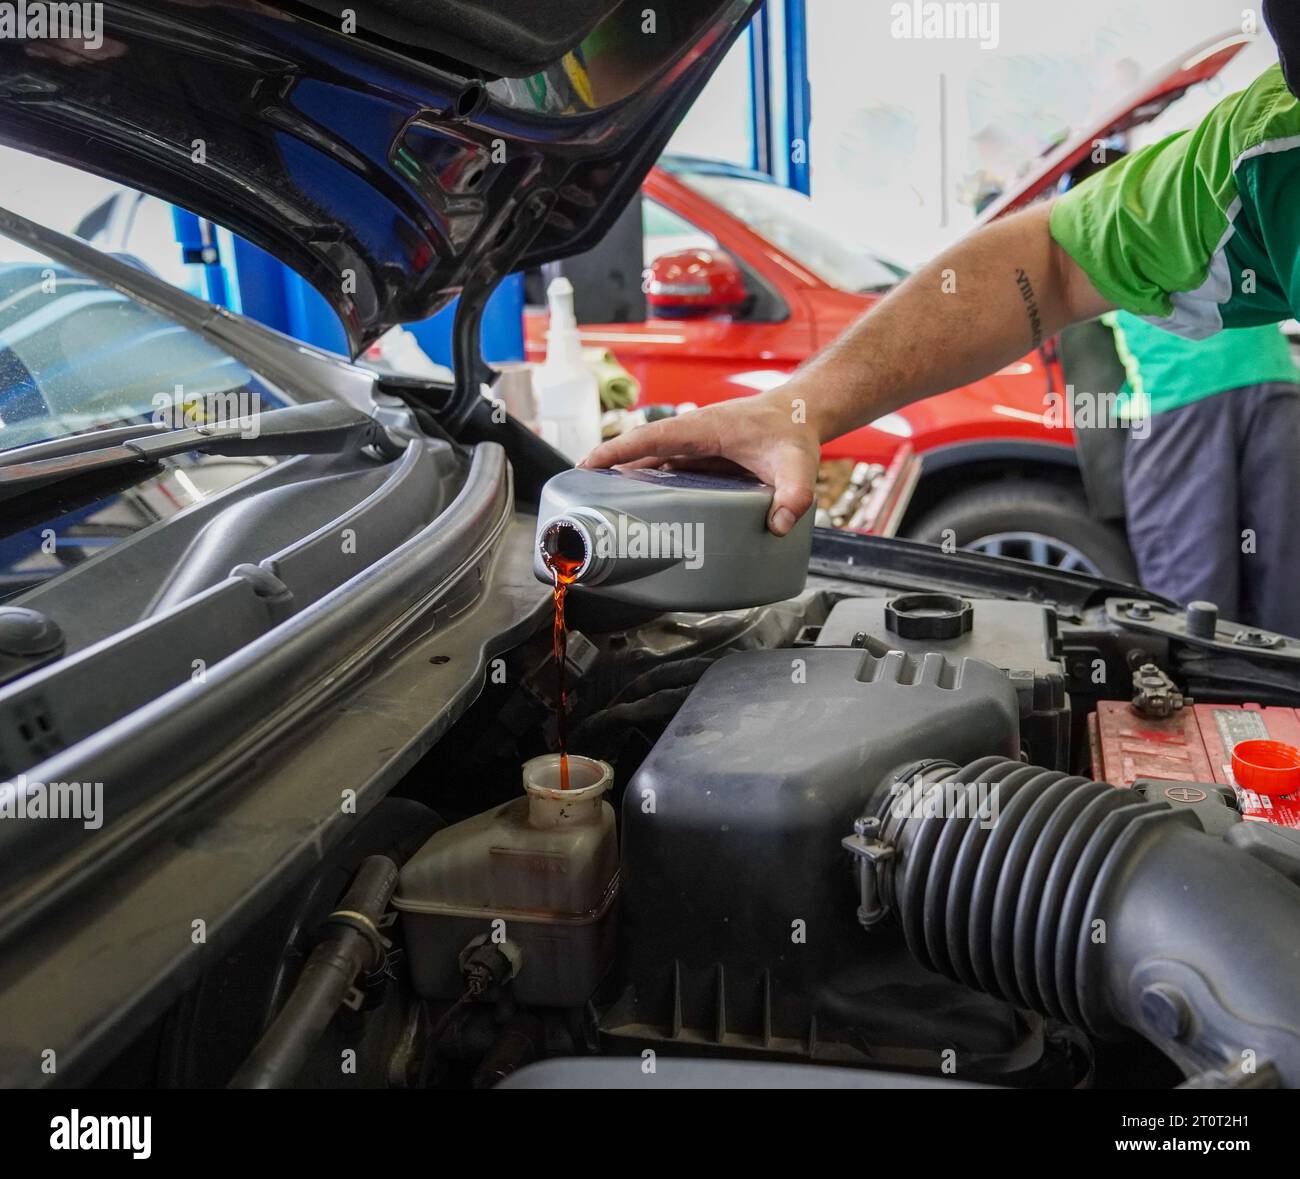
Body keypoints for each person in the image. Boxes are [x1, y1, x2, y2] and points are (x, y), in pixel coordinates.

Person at [581, 2, 1300, 628]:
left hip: (1190, 405)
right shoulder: (1269, 150)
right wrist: (796, 407)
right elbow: (1049, 259)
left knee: (1202, 597)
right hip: (1262, 390)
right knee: (1260, 616)